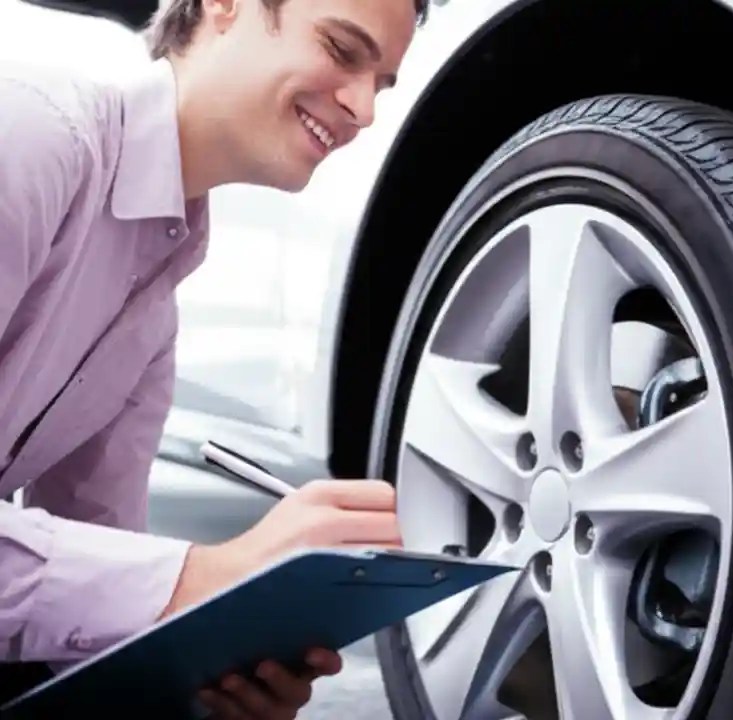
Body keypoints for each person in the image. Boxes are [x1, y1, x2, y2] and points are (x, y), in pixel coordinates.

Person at [0, 0, 423, 715]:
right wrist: (205, 573)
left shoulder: (153, 297)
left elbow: (93, 579)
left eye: (379, 82)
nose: (362, 108)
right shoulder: (32, 136)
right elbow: (133, 582)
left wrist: (205, 666)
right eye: (341, 50)